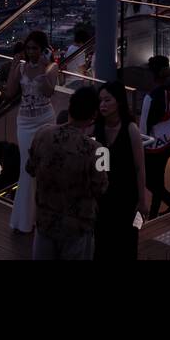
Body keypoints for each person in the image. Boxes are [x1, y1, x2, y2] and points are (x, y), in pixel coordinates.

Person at [29, 85, 109, 260]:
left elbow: (30, 168)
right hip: (78, 227)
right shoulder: (99, 151)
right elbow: (102, 188)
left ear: (70, 106)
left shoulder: (42, 134)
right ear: (94, 115)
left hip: (45, 223)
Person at [6, 30, 59, 234]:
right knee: (26, 169)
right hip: (25, 122)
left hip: (45, 120)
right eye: (28, 49)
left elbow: (48, 91)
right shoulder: (20, 67)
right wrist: (13, 65)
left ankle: (38, 218)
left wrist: (44, 67)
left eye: (35, 48)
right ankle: (24, 220)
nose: (30, 52)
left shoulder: (51, 67)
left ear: (43, 49)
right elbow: (10, 92)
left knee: (44, 168)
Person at [93, 81, 147, 259]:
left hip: (126, 197)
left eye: (107, 100)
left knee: (127, 243)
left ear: (119, 102)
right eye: (100, 101)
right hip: (104, 197)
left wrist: (142, 200)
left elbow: (139, 167)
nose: (103, 105)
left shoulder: (130, 129)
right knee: (103, 244)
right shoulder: (98, 129)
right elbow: (100, 165)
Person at [138, 54, 170, 218]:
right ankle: (154, 214)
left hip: (153, 147)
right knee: (158, 179)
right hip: (169, 141)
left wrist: (140, 146)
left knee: (150, 181)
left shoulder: (151, 97)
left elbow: (144, 127)